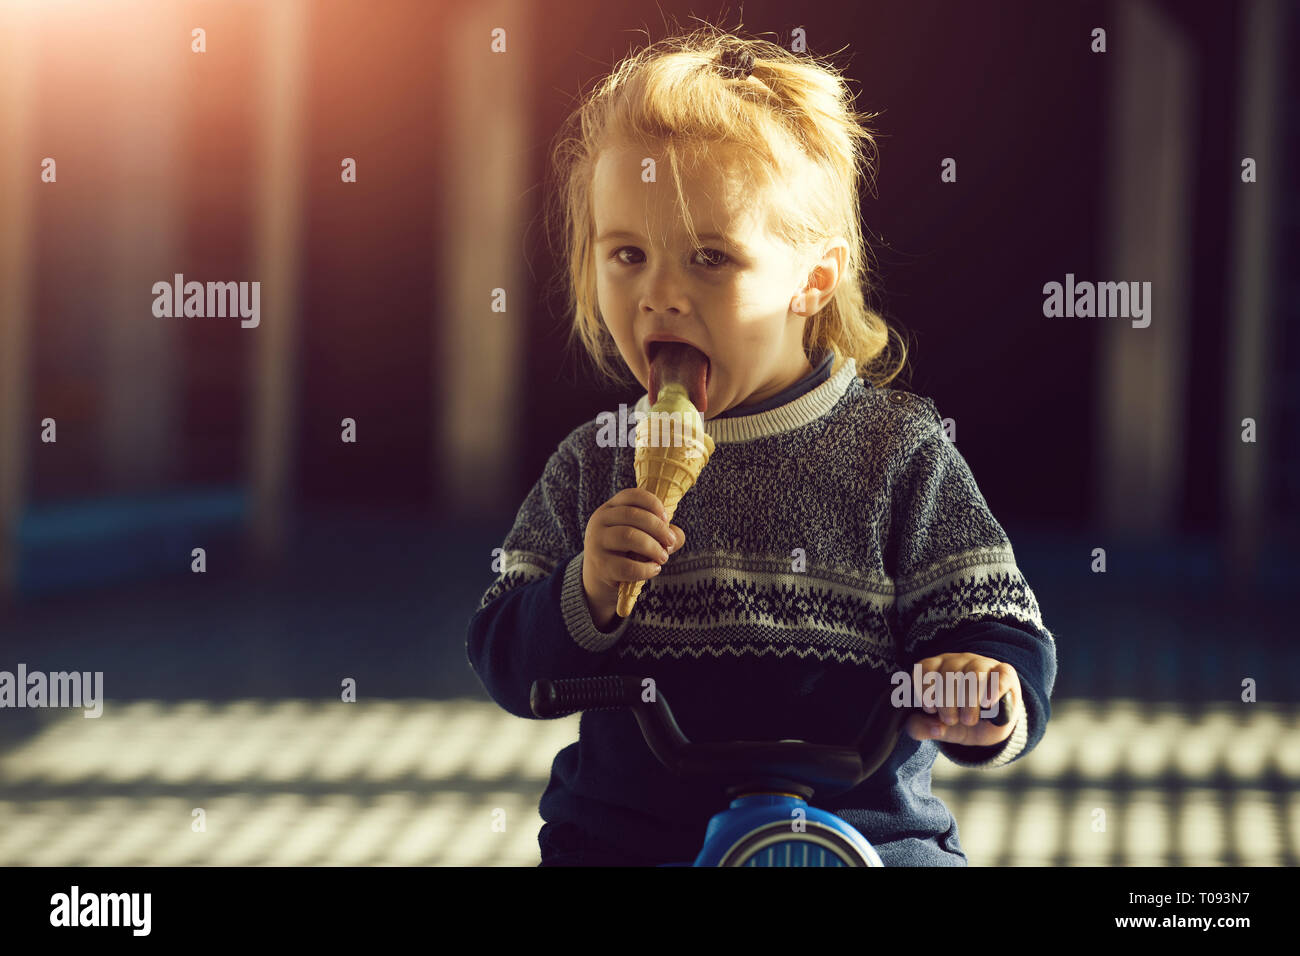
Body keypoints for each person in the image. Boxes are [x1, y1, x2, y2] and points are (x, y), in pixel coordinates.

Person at [466, 27, 1056, 866]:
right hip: (635, 839)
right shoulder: (595, 461)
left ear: (812, 281)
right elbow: (502, 654)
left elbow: (1001, 626)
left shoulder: (897, 454)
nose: (660, 295)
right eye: (626, 255)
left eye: (711, 258)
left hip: (869, 834)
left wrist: (981, 686)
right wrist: (585, 591)